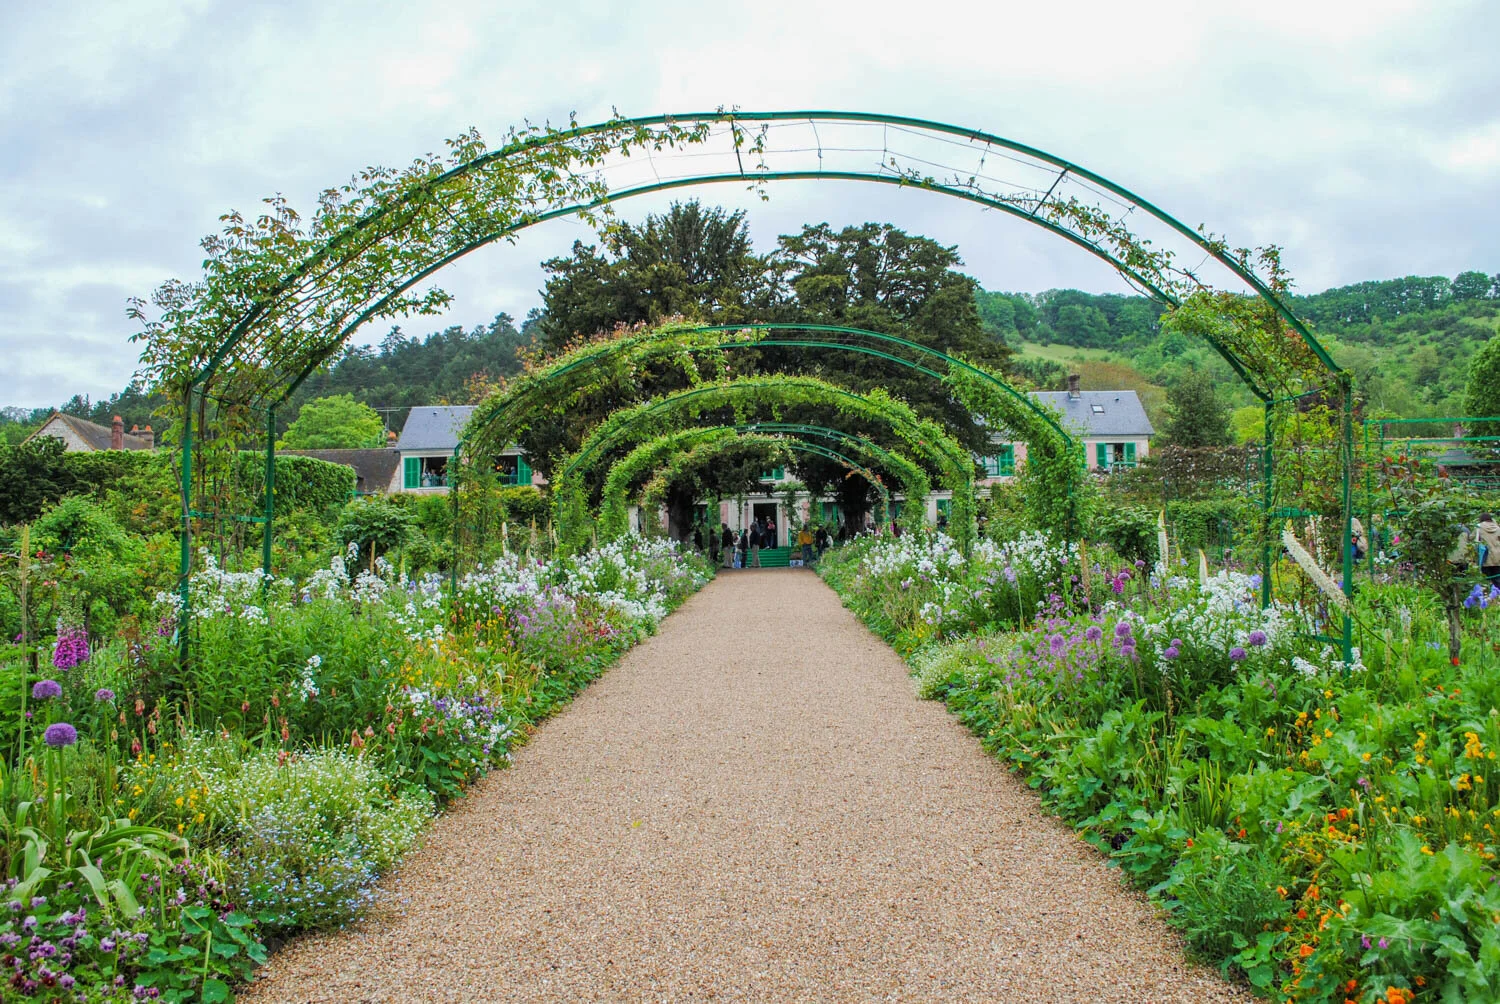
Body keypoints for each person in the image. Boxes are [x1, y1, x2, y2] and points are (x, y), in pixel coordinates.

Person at [1477, 513, 1500, 583]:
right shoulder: (1498, 528)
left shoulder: (1479, 527)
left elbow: (1472, 539)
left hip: (1485, 557)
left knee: (1486, 580)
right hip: (1498, 557)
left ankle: (1488, 592)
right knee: (1497, 579)